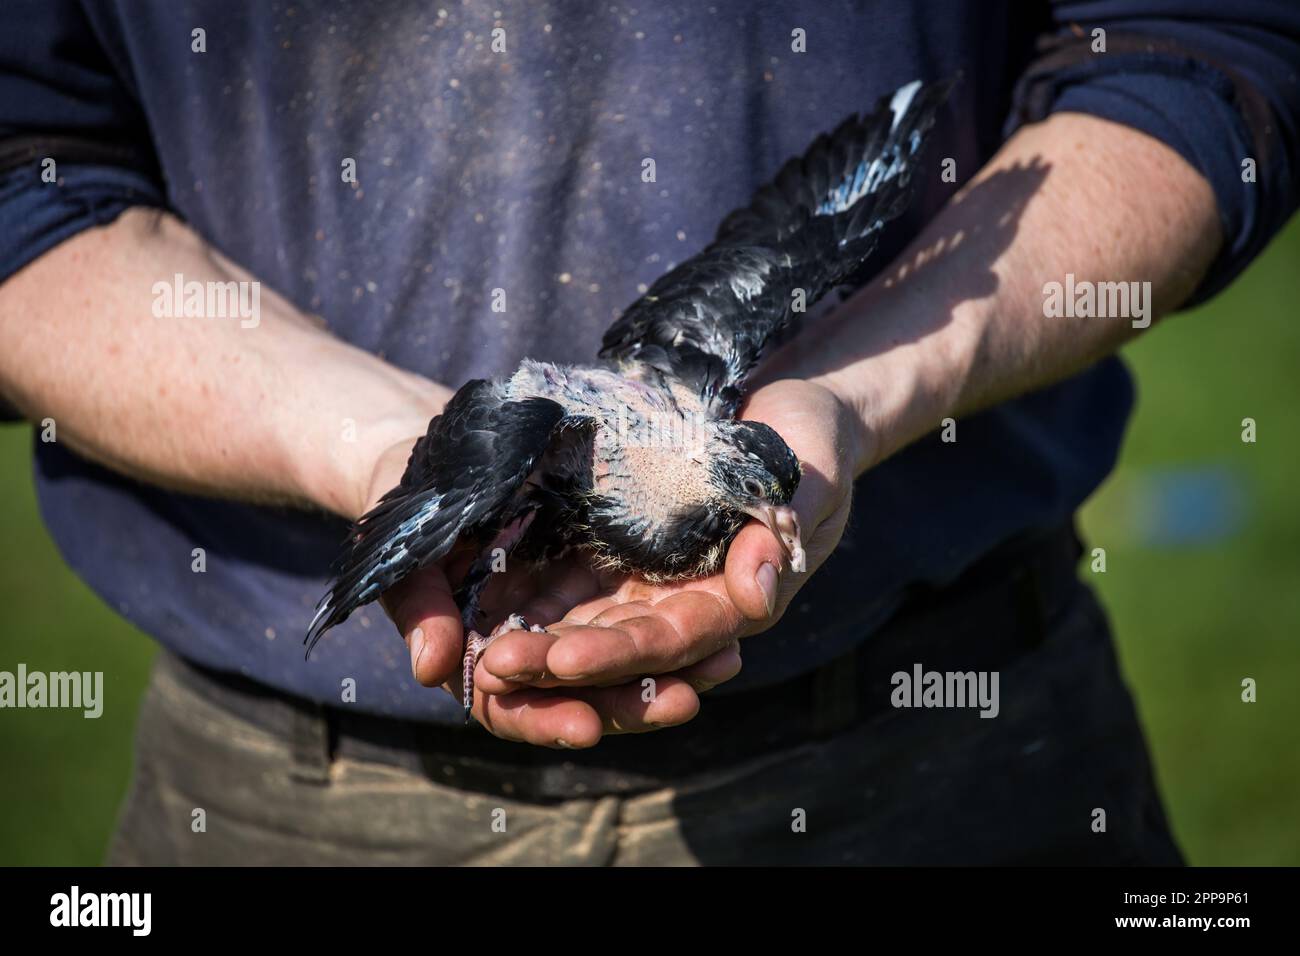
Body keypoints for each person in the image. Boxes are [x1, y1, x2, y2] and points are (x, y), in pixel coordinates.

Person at [0, 1, 1295, 865]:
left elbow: (1198, 40)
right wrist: (383, 469)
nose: (759, 512)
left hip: (949, 754)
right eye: (758, 489)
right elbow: (24, 171)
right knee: (474, 481)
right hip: (282, 795)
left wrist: (848, 396)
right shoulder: (551, 439)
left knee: (829, 236)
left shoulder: (719, 398)